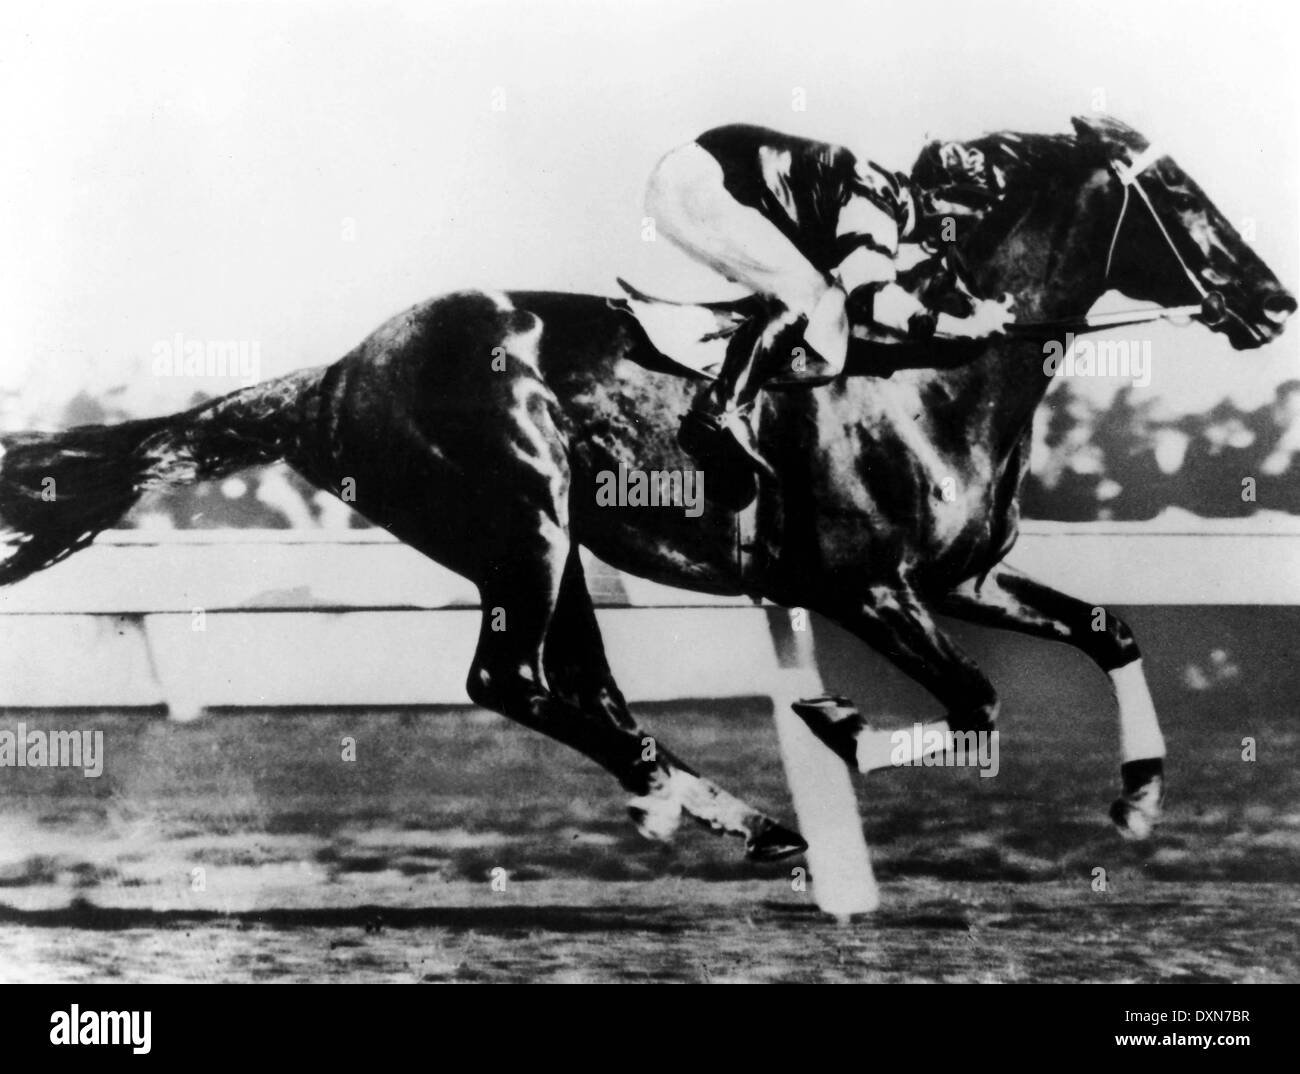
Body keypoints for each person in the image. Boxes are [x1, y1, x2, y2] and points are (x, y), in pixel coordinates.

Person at [645, 125, 1016, 493]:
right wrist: (966, 329)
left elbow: (916, 267)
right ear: (939, 195)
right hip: (697, 180)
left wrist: (976, 308)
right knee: (806, 296)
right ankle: (718, 414)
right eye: (973, 205)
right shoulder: (877, 203)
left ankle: (735, 381)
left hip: (707, 175)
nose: (976, 220)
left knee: (823, 314)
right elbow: (871, 296)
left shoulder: (899, 205)